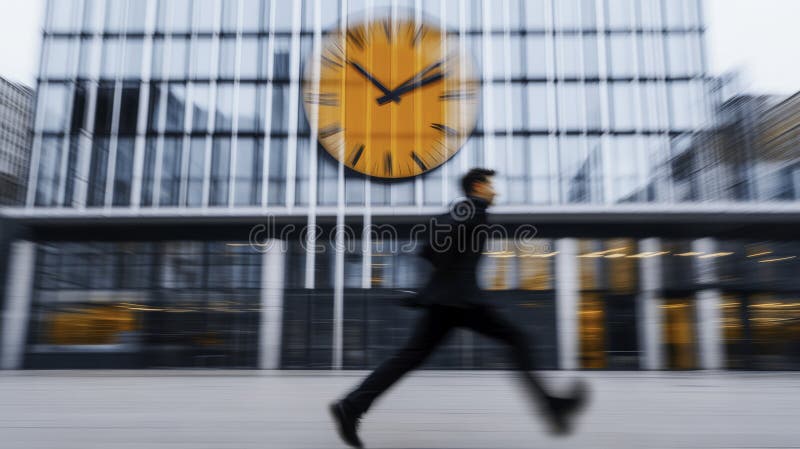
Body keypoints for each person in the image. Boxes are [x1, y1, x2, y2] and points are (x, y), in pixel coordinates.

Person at [330, 168, 588, 448]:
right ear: (477, 186)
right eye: (491, 185)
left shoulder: (467, 209)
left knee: (410, 356)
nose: (495, 191)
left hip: (449, 300)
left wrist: (439, 280)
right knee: (516, 339)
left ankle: (351, 406)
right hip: (461, 299)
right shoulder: (471, 207)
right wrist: (448, 278)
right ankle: (552, 407)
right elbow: (438, 240)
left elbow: (430, 247)